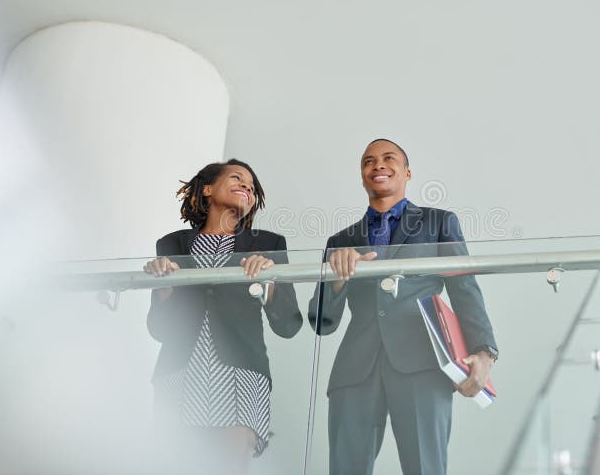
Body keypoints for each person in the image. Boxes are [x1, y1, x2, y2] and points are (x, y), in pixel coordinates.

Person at [309, 139, 499, 475]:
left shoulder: (439, 222)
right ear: (362, 175)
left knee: (425, 467)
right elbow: (323, 322)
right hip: (355, 369)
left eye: (388, 158)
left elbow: (464, 287)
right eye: (368, 161)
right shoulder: (340, 242)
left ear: (407, 172)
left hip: (423, 361)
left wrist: (484, 352)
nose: (378, 165)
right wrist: (337, 279)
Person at [145, 158, 303, 474]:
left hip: (240, 372)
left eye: (251, 185)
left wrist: (267, 282)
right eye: (236, 177)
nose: (247, 185)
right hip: (180, 369)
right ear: (207, 189)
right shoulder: (172, 243)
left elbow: (288, 323)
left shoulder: (269, 245)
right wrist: (163, 287)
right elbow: (159, 328)